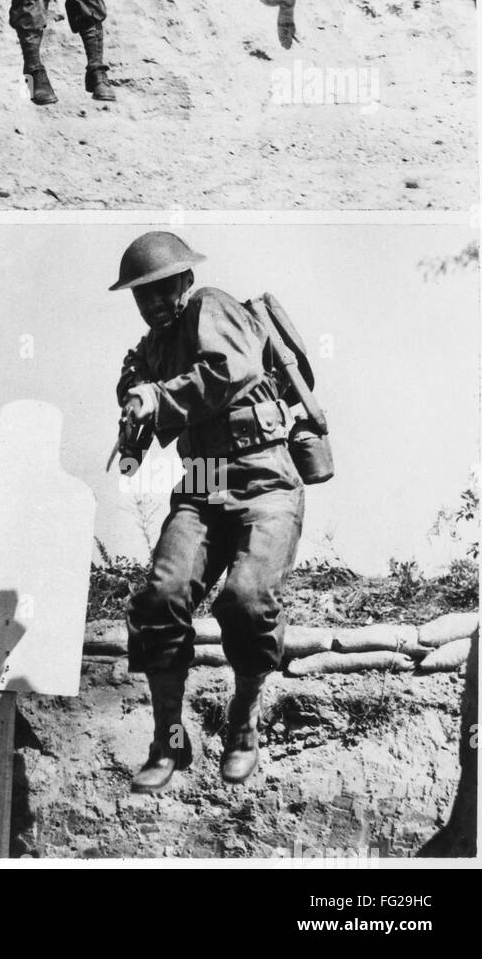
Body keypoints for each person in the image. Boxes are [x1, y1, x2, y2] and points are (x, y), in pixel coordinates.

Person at [111, 231, 305, 793]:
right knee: (161, 596)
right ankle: (168, 738)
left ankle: (243, 723)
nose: (150, 303)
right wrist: (133, 410)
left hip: (264, 477)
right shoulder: (154, 346)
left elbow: (230, 369)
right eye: (140, 295)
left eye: (158, 290)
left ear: (184, 282)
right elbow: (141, 397)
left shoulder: (211, 306)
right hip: (204, 481)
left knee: (246, 599)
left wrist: (158, 395)